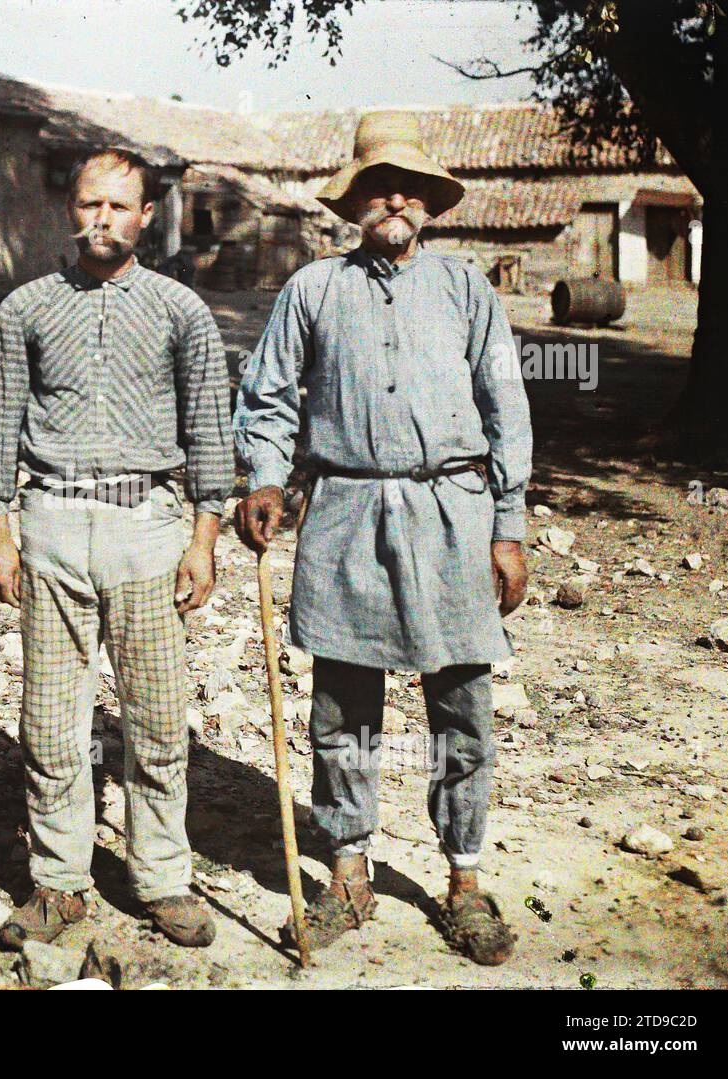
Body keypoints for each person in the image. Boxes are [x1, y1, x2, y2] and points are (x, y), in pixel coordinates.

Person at [233, 111, 532, 966]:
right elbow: (267, 397)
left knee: (461, 703)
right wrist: (263, 476)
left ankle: (465, 878)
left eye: (408, 185)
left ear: (430, 201)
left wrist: (507, 526)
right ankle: (348, 871)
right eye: (377, 184)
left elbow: (508, 412)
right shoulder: (314, 289)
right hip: (346, 511)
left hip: (453, 510)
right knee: (343, 703)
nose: (393, 198)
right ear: (355, 200)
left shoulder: (468, 289)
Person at [0, 148, 233, 950]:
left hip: (147, 527)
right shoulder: (26, 310)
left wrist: (203, 537)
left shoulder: (181, 310)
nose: (102, 220)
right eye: (89, 205)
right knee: (52, 721)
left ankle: (160, 877)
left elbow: (209, 432)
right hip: (51, 524)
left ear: (146, 216)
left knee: (155, 717)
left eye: (119, 207)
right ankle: (58, 881)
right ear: (71, 210)